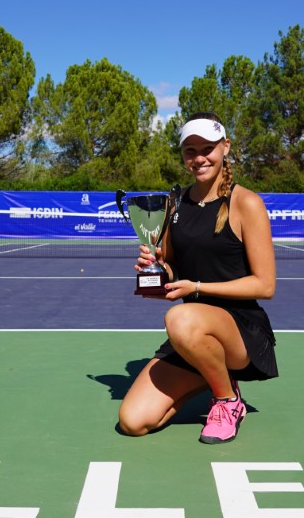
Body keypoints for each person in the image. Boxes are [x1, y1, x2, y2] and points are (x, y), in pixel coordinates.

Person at [117, 112, 277, 445]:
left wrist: (197, 288)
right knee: (133, 421)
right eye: (191, 150)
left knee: (179, 317)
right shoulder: (174, 204)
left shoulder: (246, 203)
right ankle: (212, 373)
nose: (199, 157)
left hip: (241, 331)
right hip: (191, 331)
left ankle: (227, 401)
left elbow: (265, 285)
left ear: (225, 147)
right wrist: (158, 269)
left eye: (208, 148)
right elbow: (174, 267)